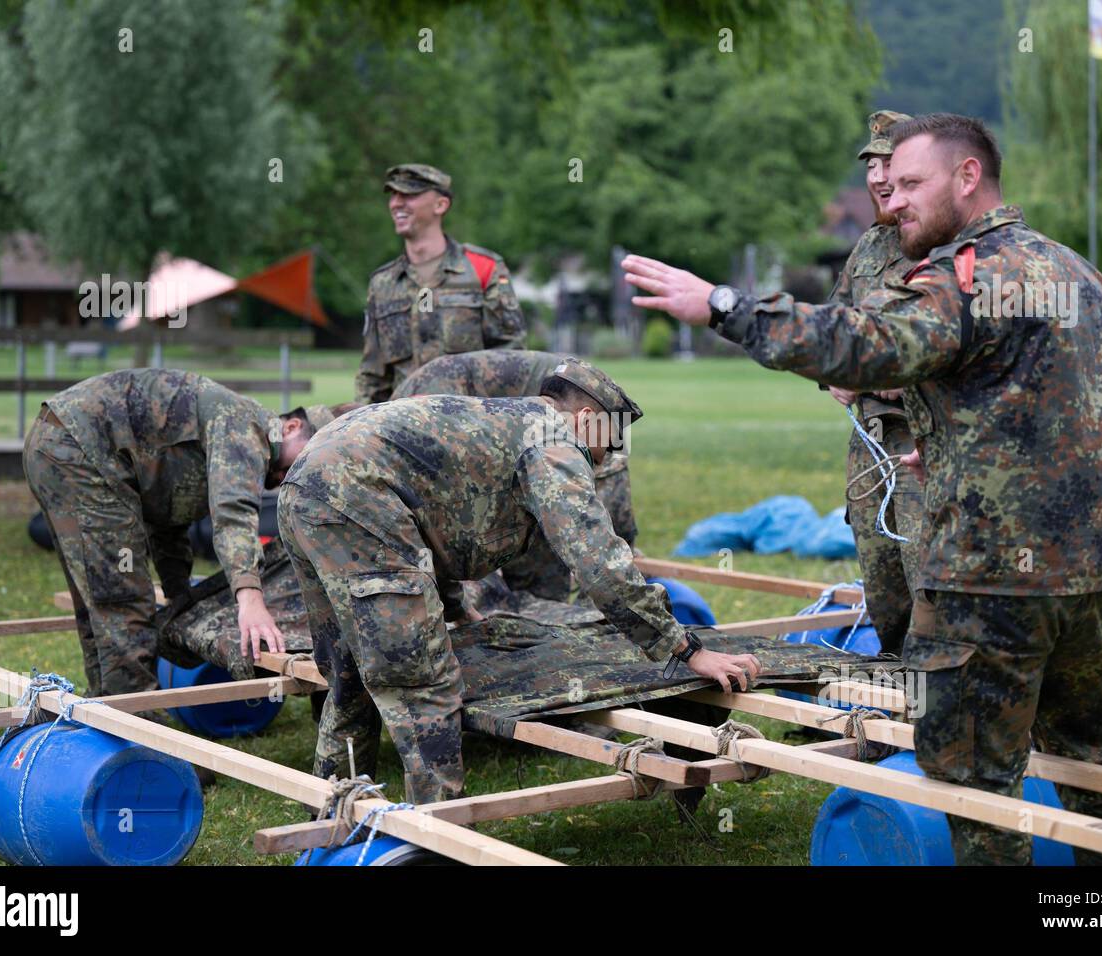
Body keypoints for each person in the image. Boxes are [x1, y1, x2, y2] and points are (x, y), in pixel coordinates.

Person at [621, 113, 1102, 865]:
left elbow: (857, 342)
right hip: (1096, 576)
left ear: (968, 178)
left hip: (989, 586)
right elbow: (1068, 412)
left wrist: (724, 307)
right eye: (888, 184)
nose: (891, 199)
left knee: (974, 793)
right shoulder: (1079, 274)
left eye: (910, 184)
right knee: (1098, 773)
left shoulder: (961, 278)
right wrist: (952, 447)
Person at [279, 358, 760, 803]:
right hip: (352, 496)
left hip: (304, 489)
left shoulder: (505, 423)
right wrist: (686, 649)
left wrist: (454, 608)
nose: (606, 456)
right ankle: (435, 838)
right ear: (590, 416)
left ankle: (334, 817)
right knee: (421, 682)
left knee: (348, 671)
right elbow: (598, 561)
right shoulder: (553, 441)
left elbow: (434, 521)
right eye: (609, 440)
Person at [24, 368, 314, 698]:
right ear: (290, 427)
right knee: (121, 597)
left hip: (61, 443)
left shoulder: (221, 441)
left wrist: (181, 598)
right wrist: (250, 599)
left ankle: (104, 709)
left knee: (99, 592)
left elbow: (167, 517)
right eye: (298, 463)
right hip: (77, 447)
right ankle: (135, 724)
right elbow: (233, 513)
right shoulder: (248, 426)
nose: (290, 477)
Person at [393, 349, 638, 601]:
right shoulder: (426, 408)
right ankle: (527, 609)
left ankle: (546, 608)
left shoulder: (594, 405)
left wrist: (619, 550)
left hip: (558, 420)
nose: (601, 459)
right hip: (478, 420)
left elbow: (606, 485)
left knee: (562, 521)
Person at [823, 110, 923, 658]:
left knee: (929, 574)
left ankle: (941, 701)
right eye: (872, 164)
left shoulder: (946, 246)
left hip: (926, 443)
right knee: (883, 577)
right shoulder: (868, 248)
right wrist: (834, 374)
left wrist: (891, 378)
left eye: (894, 164)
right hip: (870, 448)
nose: (880, 177)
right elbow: (833, 328)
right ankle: (898, 693)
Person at [355, 164, 526, 404]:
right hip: (401, 428)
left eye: (409, 195)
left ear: (440, 205)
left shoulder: (484, 269)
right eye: (393, 195)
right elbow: (373, 377)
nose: (396, 203)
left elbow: (512, 360)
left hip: (468, 427)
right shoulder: (382, 283)